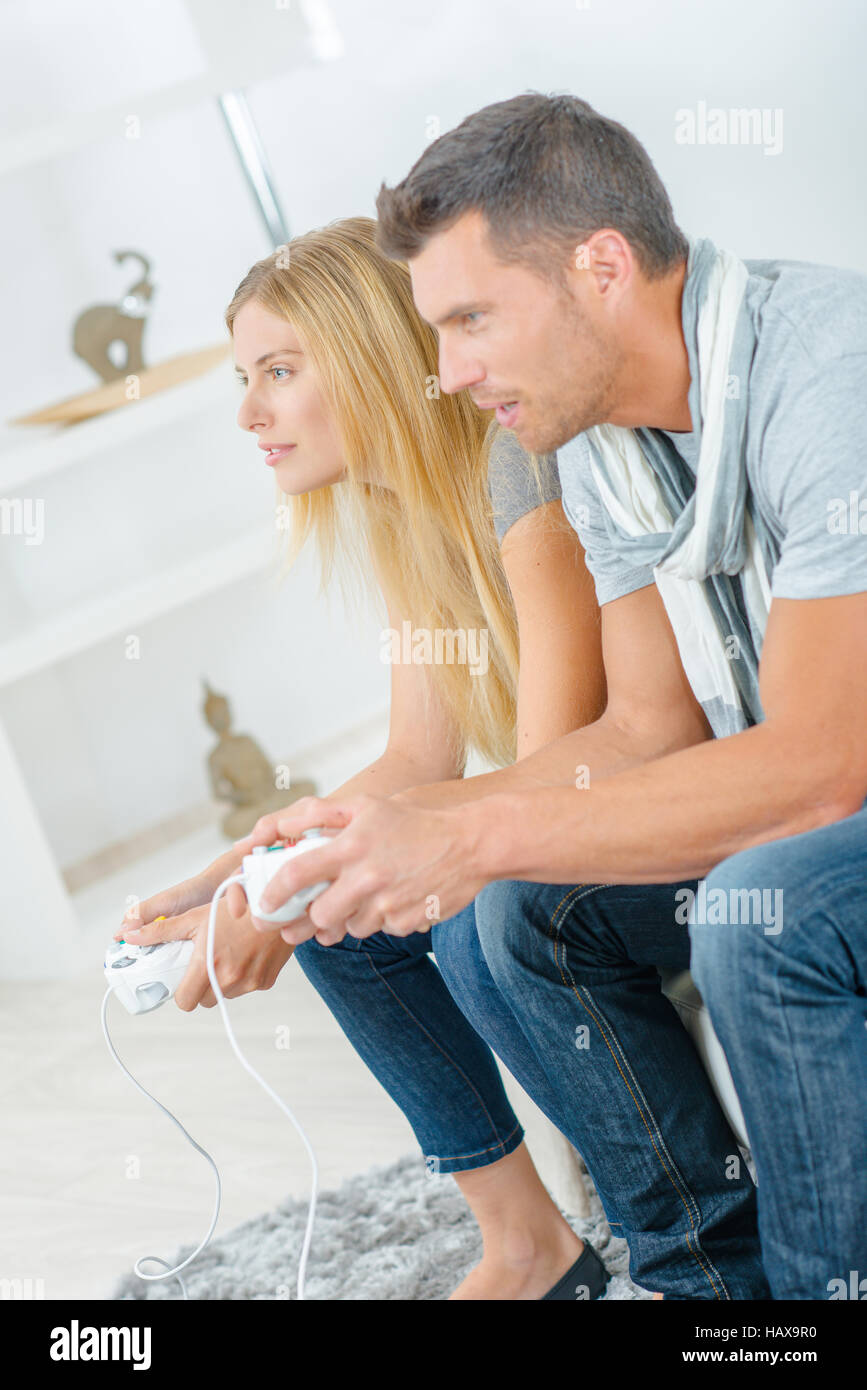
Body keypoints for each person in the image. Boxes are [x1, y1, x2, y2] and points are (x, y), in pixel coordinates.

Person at [243, 92, 867, 1302]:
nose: (450, 373)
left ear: (602, 266)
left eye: (472, 318)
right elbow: (645, 727)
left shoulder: (829, 374)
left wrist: (470, 826)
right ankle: (710, 1292)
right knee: (531, 908)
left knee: (767, 904)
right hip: (811, 798)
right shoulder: (601, 436)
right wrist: (391, 841)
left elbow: (825, 765)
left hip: (834, 805)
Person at [115, 215, 635, 1300]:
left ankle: (670, 1224)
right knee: (336, 917)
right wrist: (236, 878)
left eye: (282, 371)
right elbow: (415, 756)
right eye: (245, 378)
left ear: (368, 359)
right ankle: (526, 1246)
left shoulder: (519, 475)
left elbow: (555, 770)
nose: (252, 413)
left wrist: (288, 883)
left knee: (443, 912)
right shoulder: (407, 518)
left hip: (631, 803)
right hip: (563, 803)